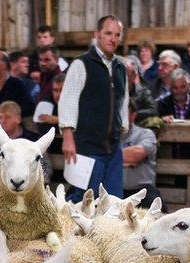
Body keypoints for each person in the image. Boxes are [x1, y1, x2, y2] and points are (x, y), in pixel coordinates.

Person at [58, 14, 129, 202]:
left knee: (114, 203)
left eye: (117, 35)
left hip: (113, 148)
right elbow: (68, 100)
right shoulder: (81, 63)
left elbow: (123, 101)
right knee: (86, 203)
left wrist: (122, 127)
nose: (113, 39)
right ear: (97, 34)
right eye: (108, 33)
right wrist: (68, 138)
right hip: (87, 147)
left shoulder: (120, 67)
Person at [0, 100, 51, 183]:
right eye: (0, 117)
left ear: (18, 119)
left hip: (26, 185)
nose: (3, 121)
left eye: (7, 117)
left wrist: (35, 182)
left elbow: (46, 168)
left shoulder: (33, 140)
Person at [121, 101, 160, 207]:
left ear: (133, 115)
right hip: (116, 190)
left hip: (142, 190)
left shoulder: (145, 134)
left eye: (124, 113)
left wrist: (110, 157)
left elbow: (136, 155)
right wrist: (125, 160)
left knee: (155, 208)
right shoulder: (109, 137)